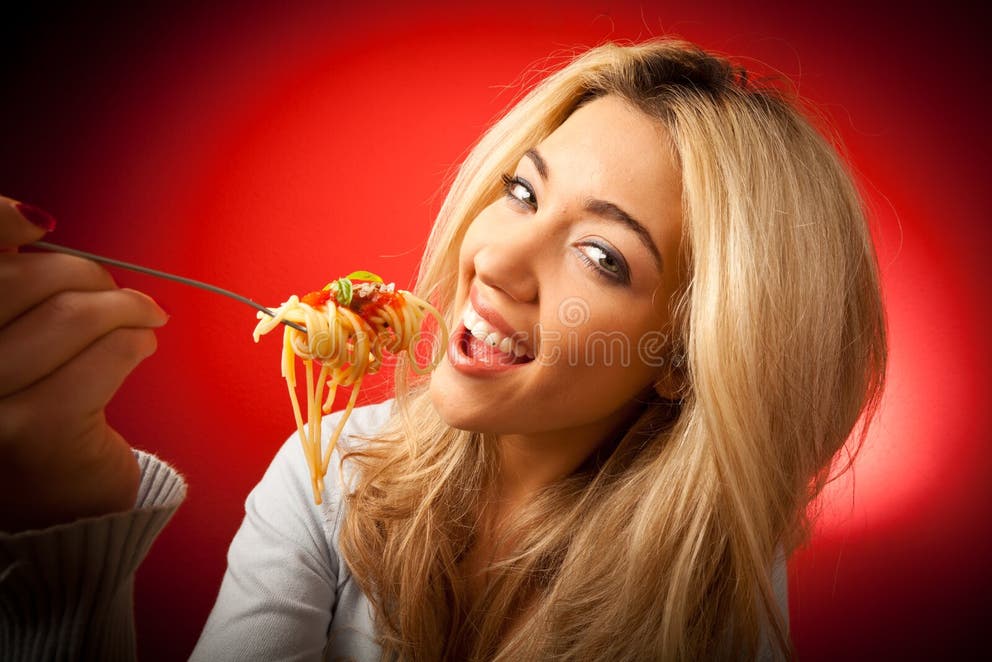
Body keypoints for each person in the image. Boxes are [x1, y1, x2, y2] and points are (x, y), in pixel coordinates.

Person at [0, 38, 886, 661]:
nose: (493, 259)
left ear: (688, 354)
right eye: (522, 192)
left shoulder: (711, 574)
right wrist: (70, 506)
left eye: (602, 257)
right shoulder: (330, 475)